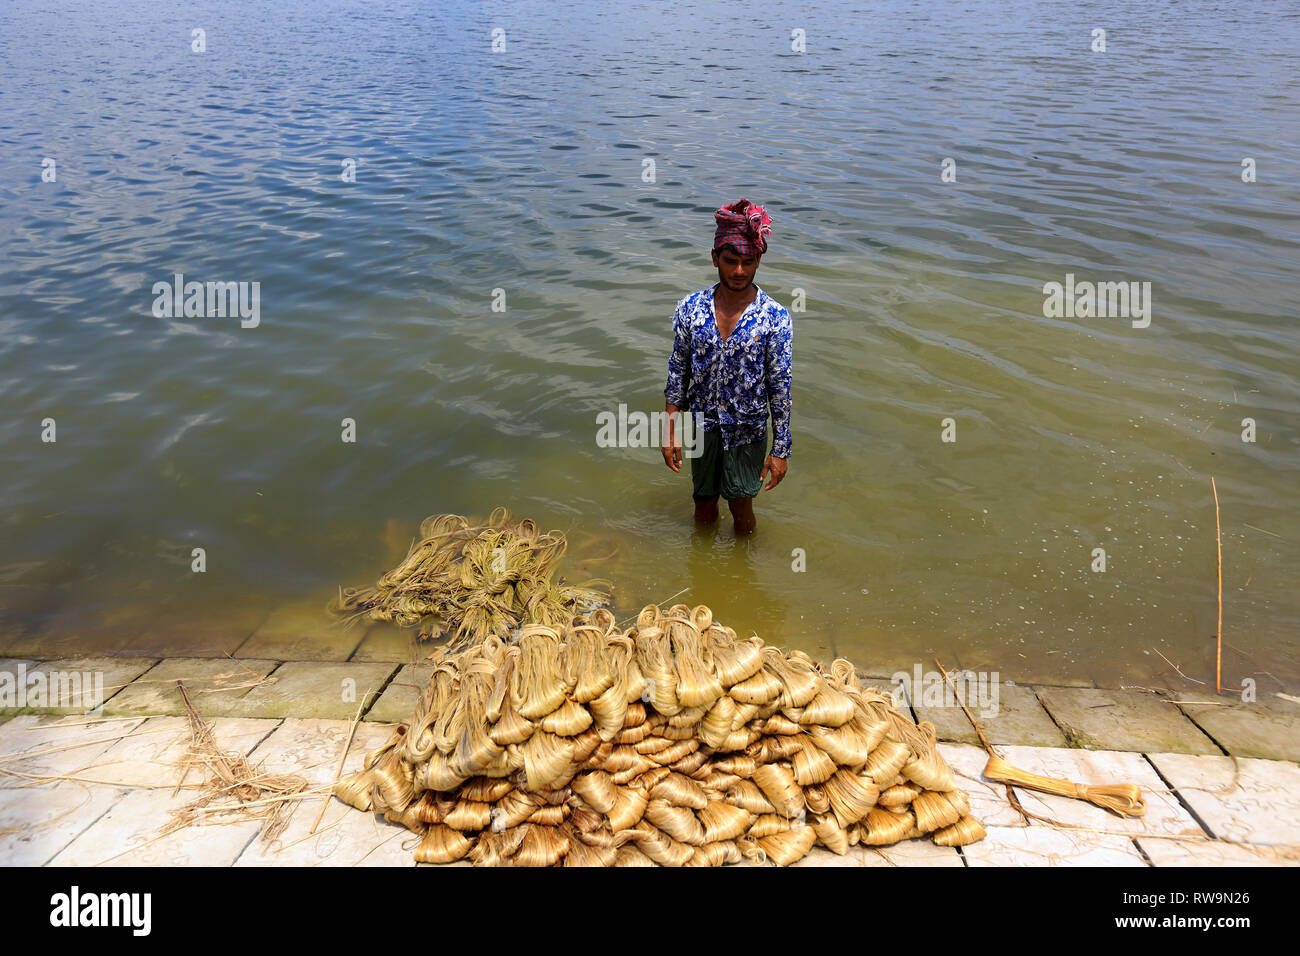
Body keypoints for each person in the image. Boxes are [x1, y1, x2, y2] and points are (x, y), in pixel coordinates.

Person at [661, 198, 792, 535]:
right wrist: (669, 430)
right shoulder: (691, 308)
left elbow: (780, 387)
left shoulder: (774, 318)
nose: (739, 271)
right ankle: (703, 574)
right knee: (703, 502)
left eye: (748, 262)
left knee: (741, 507)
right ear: (715, 258)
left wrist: (780, 449)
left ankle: (742, 572)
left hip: (747, 430)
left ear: (759, 260)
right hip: (703, 425)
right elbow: (678, 372)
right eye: (731, 261)